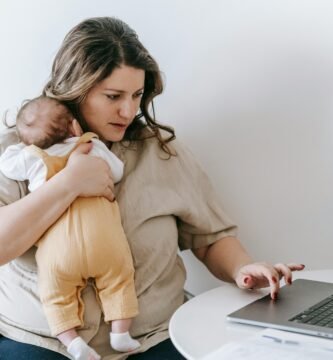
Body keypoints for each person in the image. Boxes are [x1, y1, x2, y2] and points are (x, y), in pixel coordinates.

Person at [0, 16, 305, 360]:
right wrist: (68, 184)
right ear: (76, 88)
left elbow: (210, 237)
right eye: (113, 96)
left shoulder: (160, 152)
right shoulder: (17, 153)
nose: (128, 110)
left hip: (153, 338)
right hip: (39, 341)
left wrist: (242, 269)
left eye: (137, 95)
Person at [0, 95, 141, 359]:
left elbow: (7, 163)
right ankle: (121, 333)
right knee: (120, 279)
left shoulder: (33, 158)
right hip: (104, 241)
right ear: (75, 127)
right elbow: (118, 171)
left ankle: (72, 342)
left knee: (54, 294)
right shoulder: (90, 146)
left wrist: (23, 145)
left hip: (59, 250)